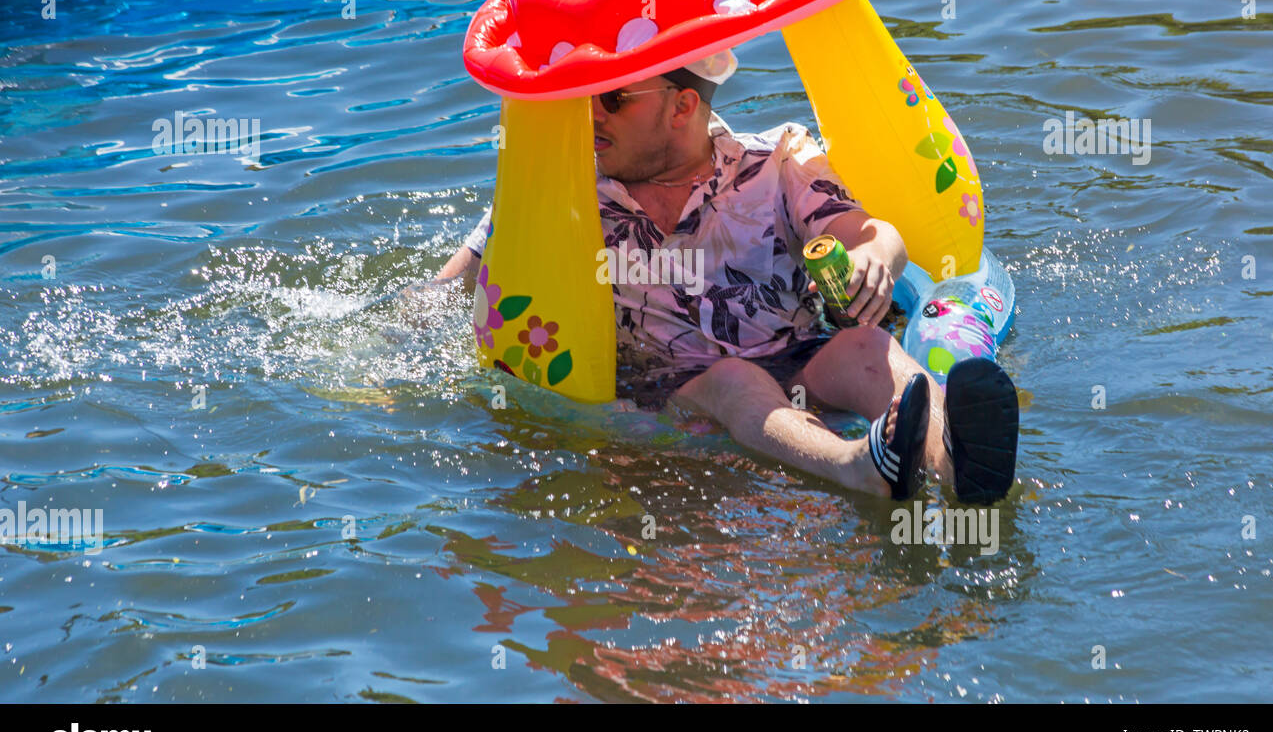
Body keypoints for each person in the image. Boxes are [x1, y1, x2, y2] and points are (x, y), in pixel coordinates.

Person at [405, 50, 1018, 502]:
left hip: (801, 357)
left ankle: (956, 464)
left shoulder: (778, 160)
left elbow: (866, 231)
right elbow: (447, 291)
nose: (591, 113)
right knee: (733, 378)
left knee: (864, 347)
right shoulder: (560, 196)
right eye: (586, 94)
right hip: (676, 389)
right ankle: (858, 465)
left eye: (613, 97)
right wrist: (386, 352)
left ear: (683, 105)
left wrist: (876, 258)